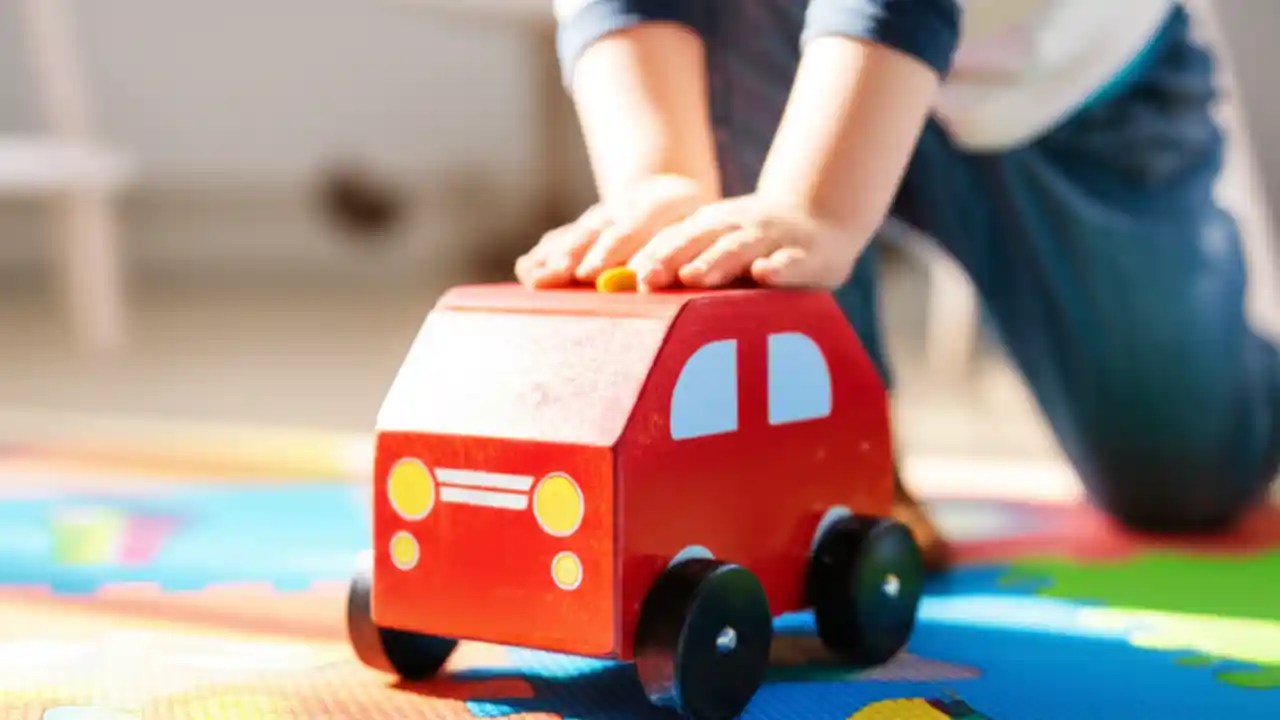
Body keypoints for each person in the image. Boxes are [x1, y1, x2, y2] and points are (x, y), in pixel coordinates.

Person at [516, 0, 1280, 569]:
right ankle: (842, 464)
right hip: (785, 65)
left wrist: (811, 208)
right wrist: (661, 179)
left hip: (1066, 88)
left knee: (1185, 482)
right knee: (794, 483)